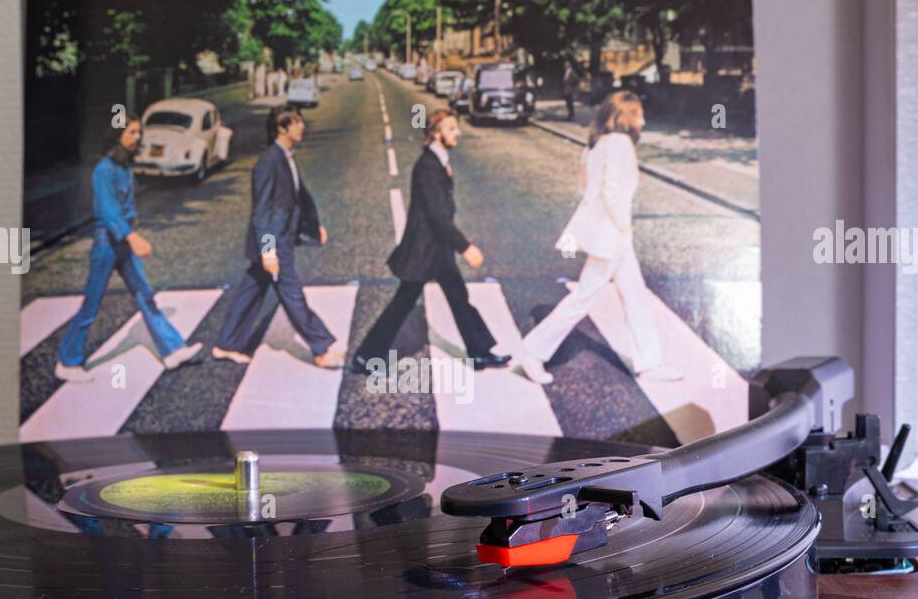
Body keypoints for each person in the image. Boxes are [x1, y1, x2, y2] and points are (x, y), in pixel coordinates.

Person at [515, 91, 681, 385]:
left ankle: (650, 364)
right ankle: (533, 351)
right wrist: (623, 226)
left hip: (610, 234)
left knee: (635, 297)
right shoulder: (620, 143)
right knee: (583, 298)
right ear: (624, 117)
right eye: (637, 113)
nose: (642, 119)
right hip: (613, 235)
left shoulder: (597, 144)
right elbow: (613, 192)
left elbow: (585, 187)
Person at [350, 109, 510, 374]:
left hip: (437, 248)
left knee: (459, 298)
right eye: (450, 129)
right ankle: (366, 357)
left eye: (456, 128)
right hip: (424, 249)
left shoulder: (438, 161)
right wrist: (466, 246)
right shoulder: (427, 167)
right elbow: (437, 217)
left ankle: (480, 352)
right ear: (436, 133)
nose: (457, 133)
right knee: (403, 303)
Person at [54, 115, 201, 383]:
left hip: (123, 240)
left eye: (138, 132)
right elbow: (109, 212)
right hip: (107, 243)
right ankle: (67, 361)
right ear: (118, 135)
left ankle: (172, 350)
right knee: (92, 303)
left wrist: (132, 232)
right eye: (132, 132)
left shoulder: (124, 167)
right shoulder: (104, 170)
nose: (138, 137)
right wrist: (133, 237)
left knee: (145, 295)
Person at [212, 106, 345, 369]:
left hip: (281, 236)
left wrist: (314, 225)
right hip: (274, 241)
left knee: (251, 290)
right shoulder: (268, 162)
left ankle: (225, 344)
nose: (302, 126)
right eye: (296, 123)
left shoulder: (285, 157)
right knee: (292, 294)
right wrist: (268, 250)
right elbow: (262, 211)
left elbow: (298, 196)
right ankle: (320, 348)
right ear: (281, 128)